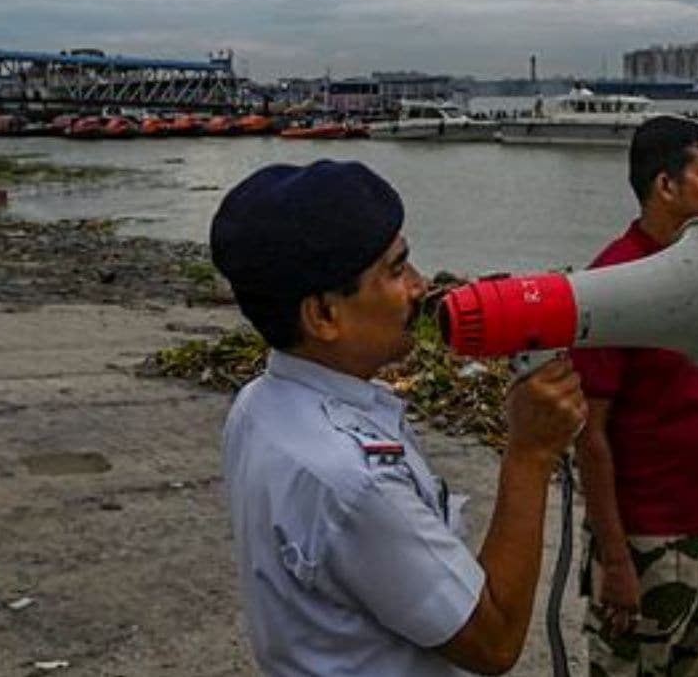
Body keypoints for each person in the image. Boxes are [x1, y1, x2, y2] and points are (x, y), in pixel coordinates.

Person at [211, 159, 586, 676]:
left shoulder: (260, 403)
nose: (419, 285)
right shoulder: (351, 481)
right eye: (395, 269)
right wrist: (530, 453)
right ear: (323, 315)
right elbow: (494, 642)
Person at [572, 116, 698, 676]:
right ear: (665, 185)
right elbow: (592, 435)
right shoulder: (614, 283)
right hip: (650, 538)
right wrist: (615, 557)